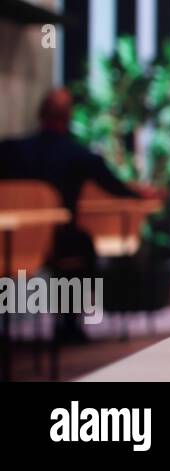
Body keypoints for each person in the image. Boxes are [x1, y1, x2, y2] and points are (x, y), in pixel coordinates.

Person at [0, 89, 156, 342]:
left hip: (8, 242)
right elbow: (114, 186)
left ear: (40, 115)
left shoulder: (10, 151)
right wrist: (142, 195)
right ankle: (70, 324)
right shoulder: (78, 155)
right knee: (81, 246)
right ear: (68, 117)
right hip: (57, 240)